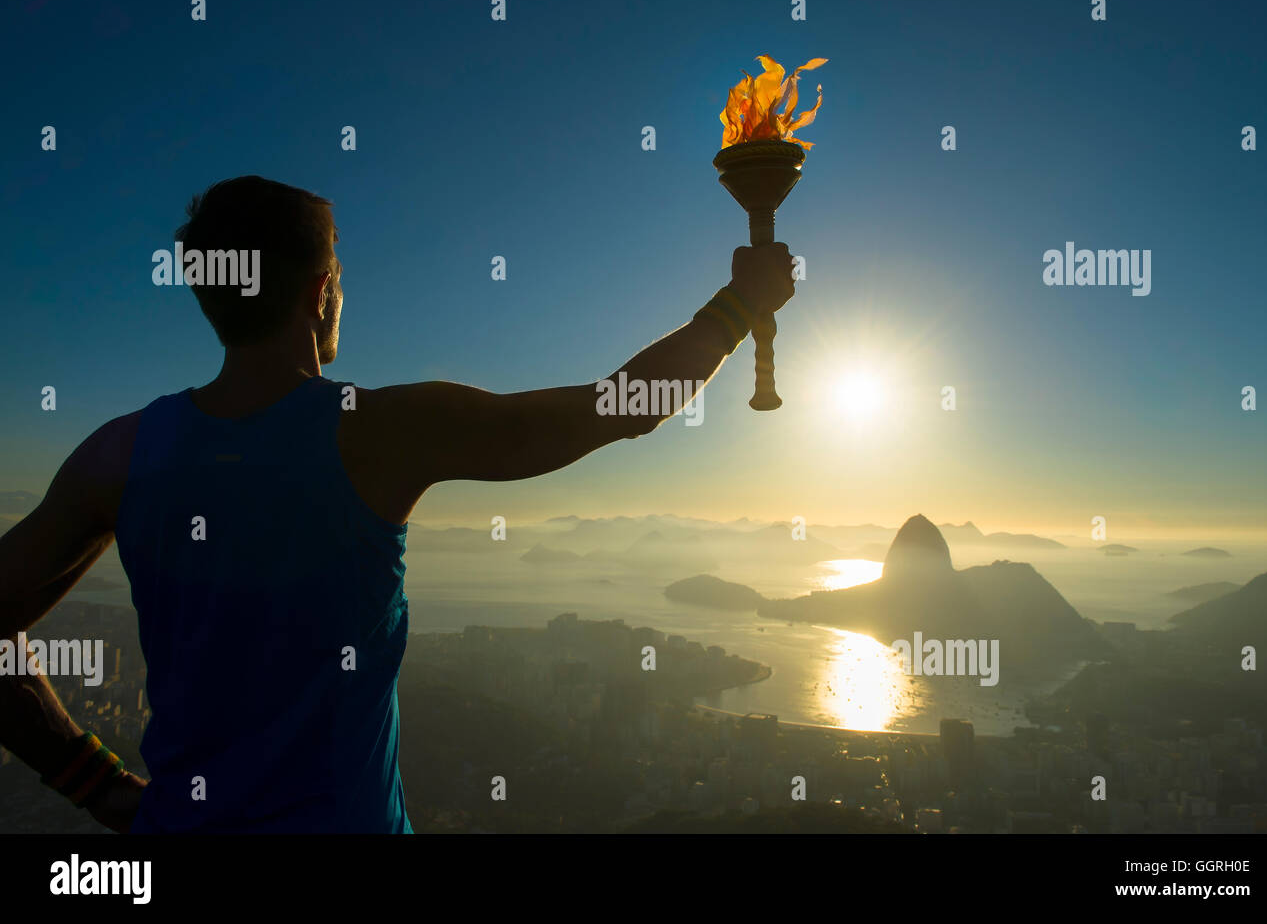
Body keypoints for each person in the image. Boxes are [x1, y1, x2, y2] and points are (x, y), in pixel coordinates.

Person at [0, 175, 796, 833]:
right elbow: (617, 408)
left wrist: (93, 780)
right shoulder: (379, 432)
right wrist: (739, 306)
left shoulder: (118, 455)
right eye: (340, 274)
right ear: (320, 292)